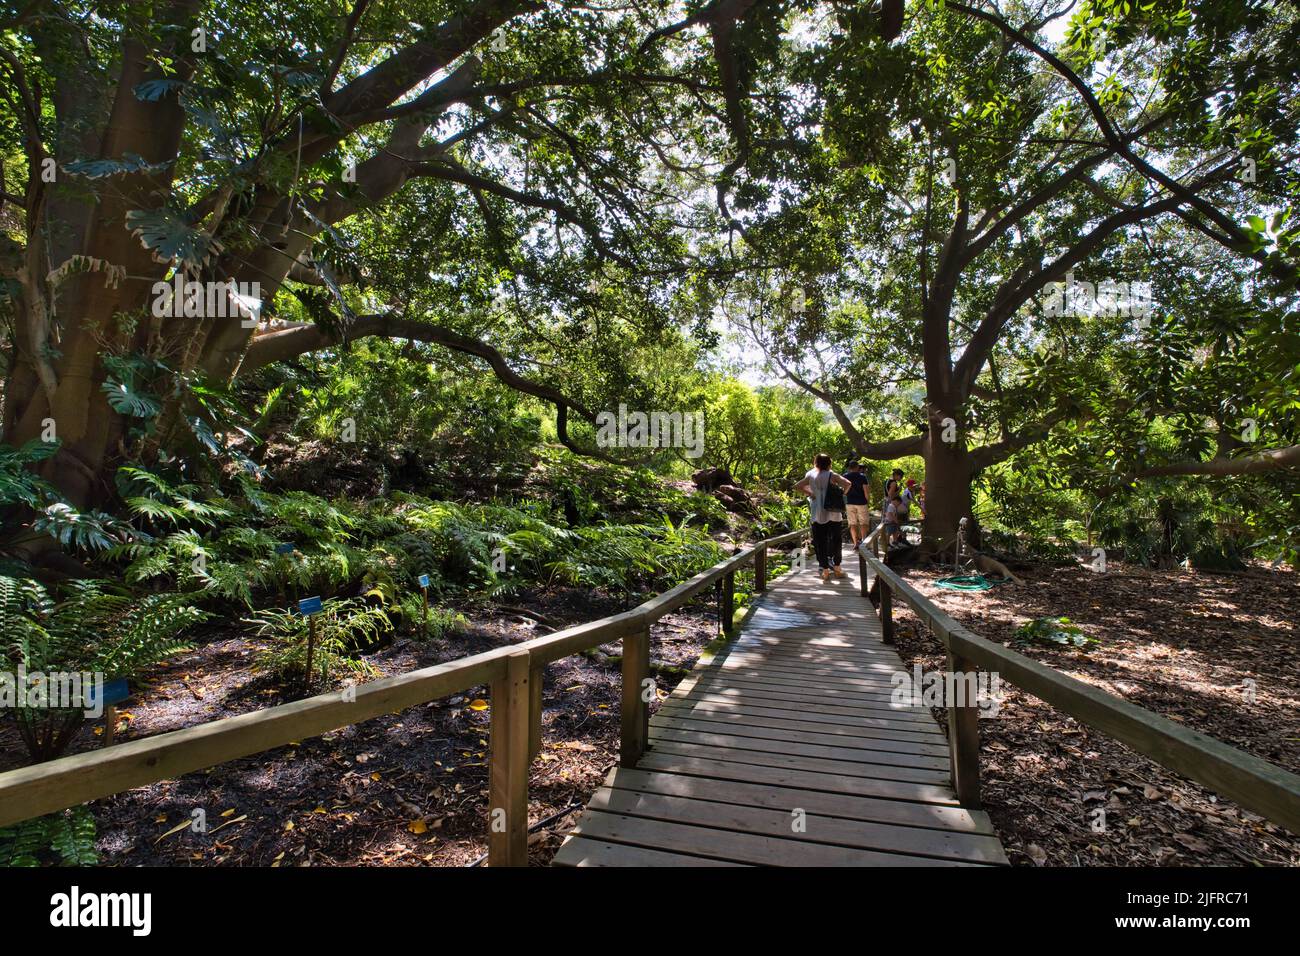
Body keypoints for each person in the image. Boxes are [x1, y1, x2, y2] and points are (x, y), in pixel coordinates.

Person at [794, 453, 851, 580]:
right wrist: (841, 495)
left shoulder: (810, 474)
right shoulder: (832, 475)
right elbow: (848, 484)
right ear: (829, 463)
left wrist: (810, 493)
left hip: (817, 513)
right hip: (834, 513)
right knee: (836, 541)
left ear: (816, 463)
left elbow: (797, 486)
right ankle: (837, 568)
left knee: (820, 542)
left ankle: (824, 570)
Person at [843, 459, 871, 549]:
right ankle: (863, 542)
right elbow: (866, 491)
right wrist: (867, 501)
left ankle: (855, 543)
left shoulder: (845, 476)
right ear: (857, 467)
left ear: (849, 468)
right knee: (863, 523)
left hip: (850, 502)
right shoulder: (862, 476)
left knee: (852, 523)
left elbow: (843, 490)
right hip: (861, 502)